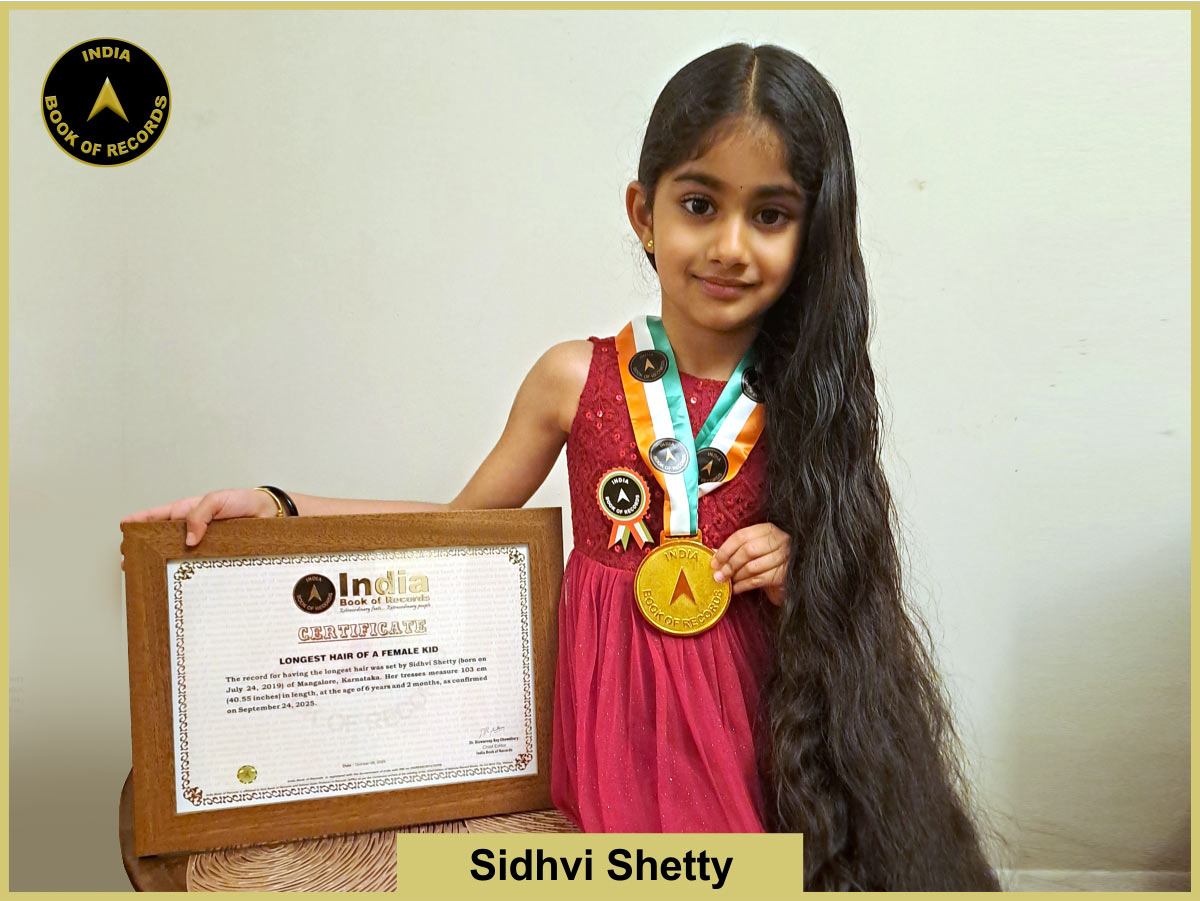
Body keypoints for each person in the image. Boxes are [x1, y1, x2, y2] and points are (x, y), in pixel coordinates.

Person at [122, 43, 999, 891]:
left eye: (769, 215)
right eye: (701, 204)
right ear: (641, 212)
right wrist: (283, 507)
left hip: (764, 727)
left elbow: (850, 577)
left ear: (811, 231)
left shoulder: (811, 395)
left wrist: (798, 562)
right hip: (608, 713)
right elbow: (458, 529)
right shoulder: (572, 378)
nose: (731, 245)